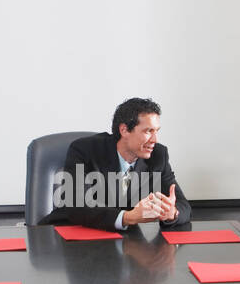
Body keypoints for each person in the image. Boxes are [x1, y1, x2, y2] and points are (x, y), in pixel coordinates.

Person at [42, 97, 191, 231]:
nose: (154, 140)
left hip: (120, 242)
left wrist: (172, 213)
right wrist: (128, 217)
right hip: (67, 234)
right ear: (124, 130)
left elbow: (183, 206)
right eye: (148, 131)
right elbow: (77, 207)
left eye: (156, 131)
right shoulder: (84, 150)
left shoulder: (158, 156)